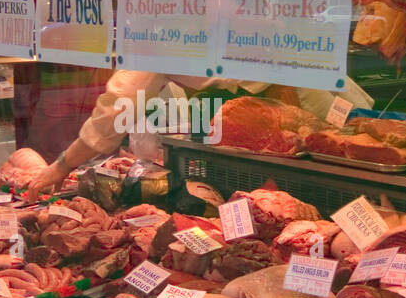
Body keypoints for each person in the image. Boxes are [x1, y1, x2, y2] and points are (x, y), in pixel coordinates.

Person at [24, 68, 373, 200]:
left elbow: (120, 106)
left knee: (331, 186)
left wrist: (62, 165)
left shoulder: (158, 11)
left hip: (284, 103)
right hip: (271, 99)